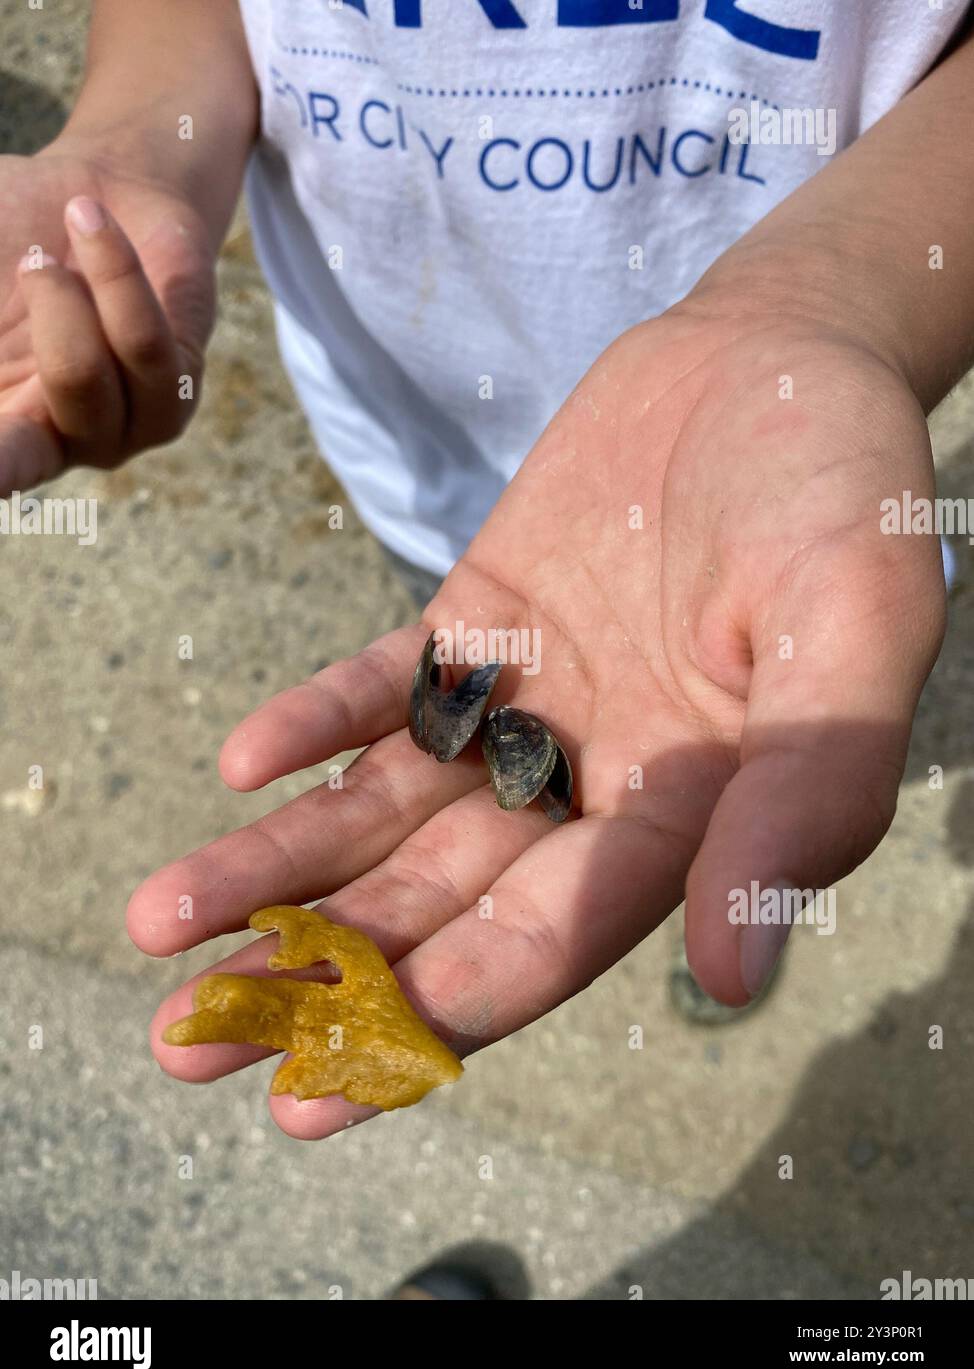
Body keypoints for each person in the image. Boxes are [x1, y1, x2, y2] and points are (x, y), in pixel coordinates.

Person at [3, 1, 972, 1139]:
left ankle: (720, 864)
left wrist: (831, 298)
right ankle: (701, 858)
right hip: (421, 455)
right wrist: (127, 144)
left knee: (743, 749)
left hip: (759, 482)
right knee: (539, 704)